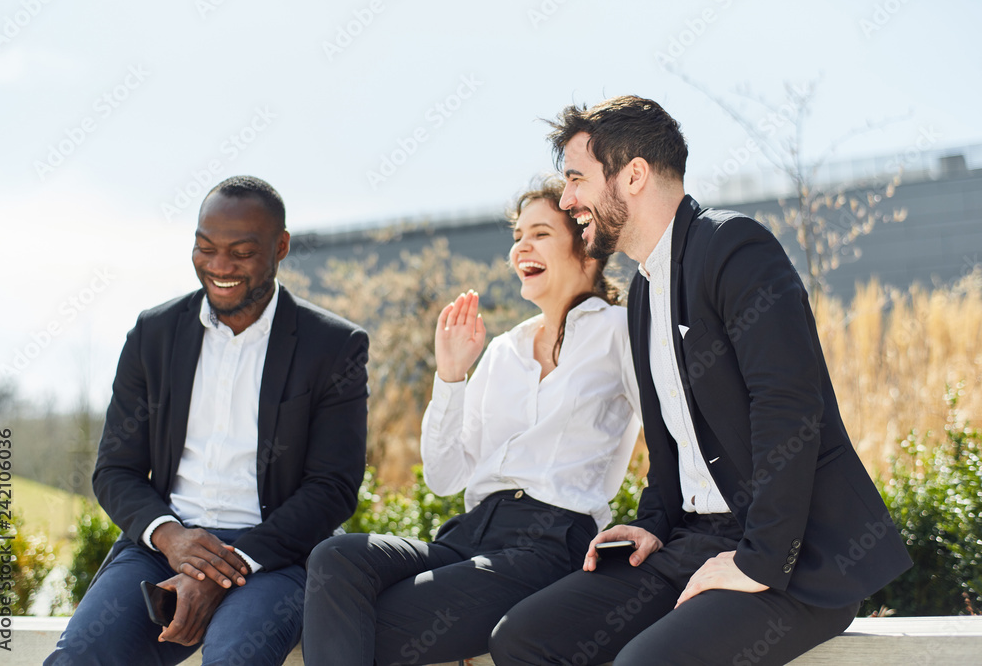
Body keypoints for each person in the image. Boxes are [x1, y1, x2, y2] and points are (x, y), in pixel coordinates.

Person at [489, 96, 913, 665]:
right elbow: (680, 436)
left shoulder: (734, 247)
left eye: (576, 180)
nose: (567, 201)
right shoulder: (643, 292)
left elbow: (789, 408)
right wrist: (652, 524)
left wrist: (756, 561)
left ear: (633, 174)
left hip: (792, 557)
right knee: (523, 637)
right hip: (691, 542)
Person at [301, 177, 641, 665]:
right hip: (467, 537)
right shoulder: (504, 351)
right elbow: (444, 477)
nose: (522, 245)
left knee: (354, 622)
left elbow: (672, 429)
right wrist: (451, 375)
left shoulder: (620, 333)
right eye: (518, 235)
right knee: (336, 558)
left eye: (541, 233)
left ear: (587, 245)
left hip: (549, 544)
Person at [46, 175, 369, 666]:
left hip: (276, 556)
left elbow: (333, 487)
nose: (219, 267)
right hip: (163, 543)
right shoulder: (152, 335)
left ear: (280, 246)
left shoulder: (334, 346)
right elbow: (115, 469)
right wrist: (173, 540)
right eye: (205, 248)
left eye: (241, 253)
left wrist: (221, 569)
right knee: (79, 657)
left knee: (235, 658)